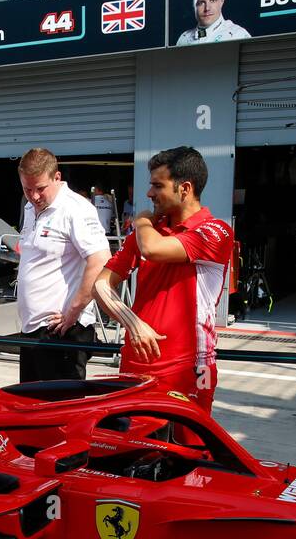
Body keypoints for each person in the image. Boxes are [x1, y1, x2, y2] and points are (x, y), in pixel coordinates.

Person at [94, 146, 234, 412]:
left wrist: (142, 222)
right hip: (135, 365)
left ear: (185, 189)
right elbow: (100, 285)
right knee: (130, 451)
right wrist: (133, 323)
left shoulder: (216, 231)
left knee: (189, 451)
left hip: (189, 368)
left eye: (158, 186)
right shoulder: (149, 232)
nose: (149, 194)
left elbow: (153, 250)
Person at [14, 147, 110, 382]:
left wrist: (73, 311)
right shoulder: (30, 208)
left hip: (62, 331)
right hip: (32, 329)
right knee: (31, 409)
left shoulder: (75, 208)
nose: (34, 196)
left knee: (62, 409)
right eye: (27, 189)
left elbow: (100, 258)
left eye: (40, 189)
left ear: (57, 178)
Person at [176, 0, 252, 45]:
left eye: (212, 0)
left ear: (222, 0)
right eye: (201, 3)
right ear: (194, 5)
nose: (207, 8)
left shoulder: (237, 34)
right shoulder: (184, 38)